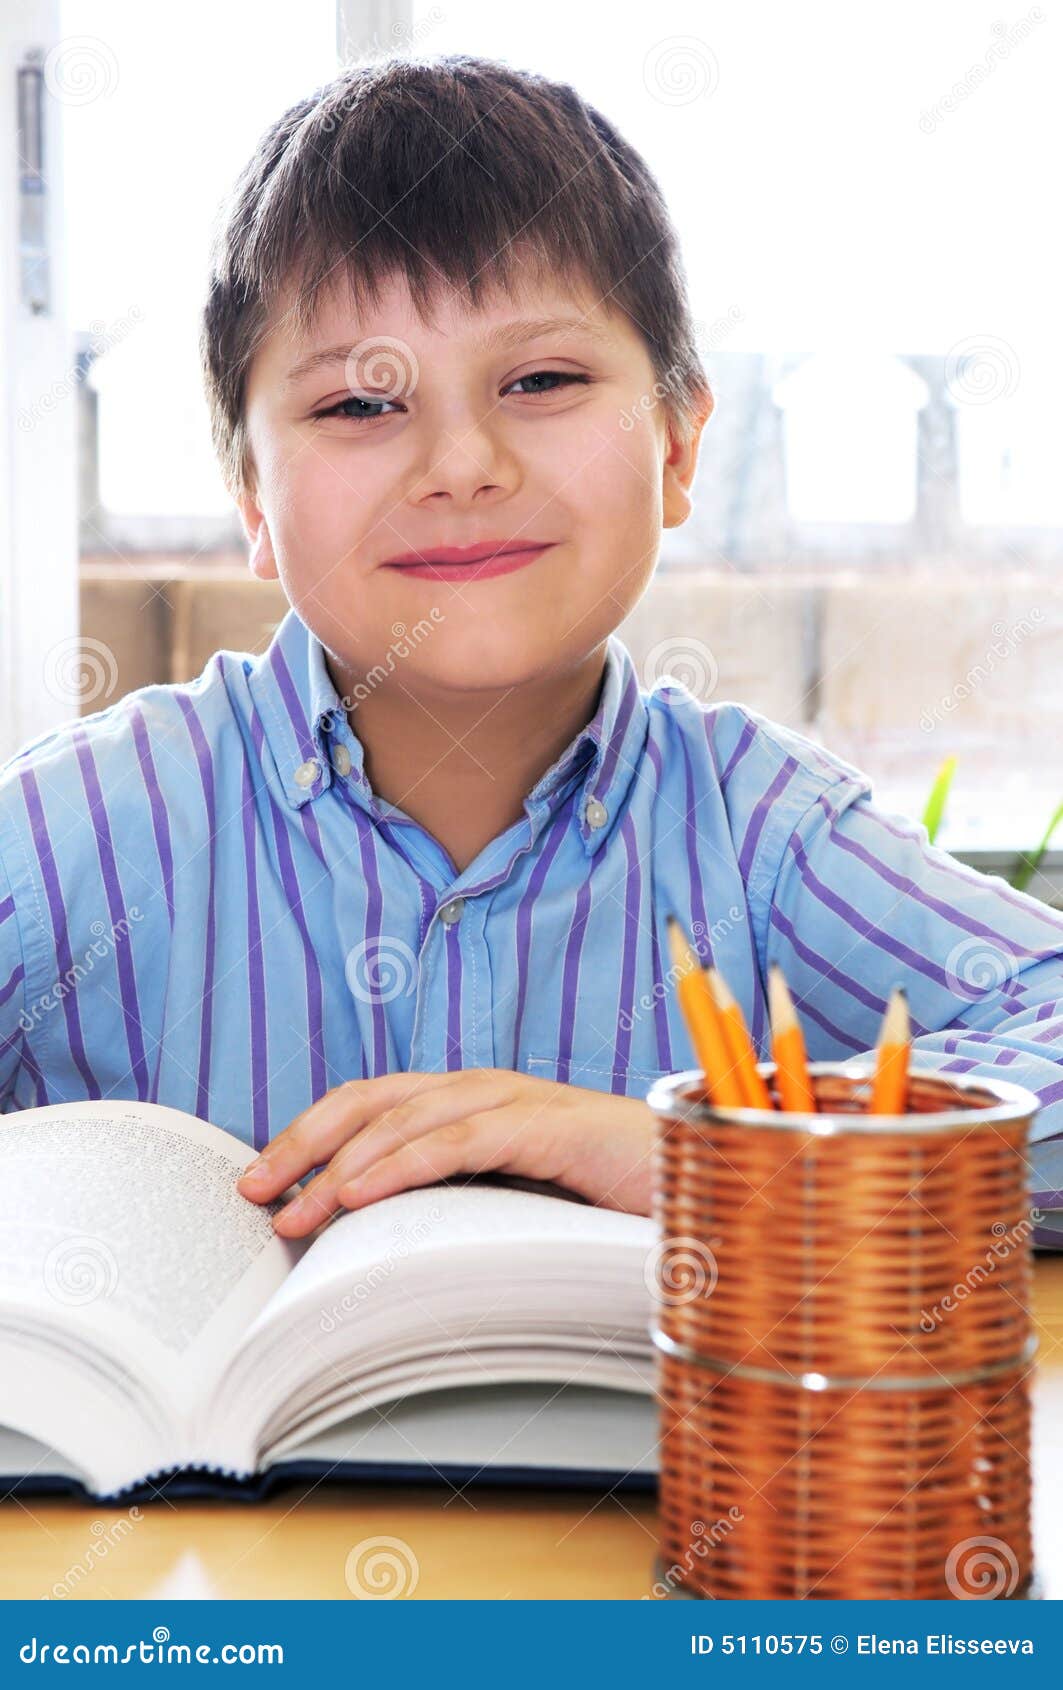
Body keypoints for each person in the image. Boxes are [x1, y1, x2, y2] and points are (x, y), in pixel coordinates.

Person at [3, 55, 1062, 1239]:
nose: (461, 465)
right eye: (360, 404)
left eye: (542, 379)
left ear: (674, 445)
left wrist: (696, 1152)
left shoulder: (761, 831)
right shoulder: (71, 837)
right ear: (252, 496)